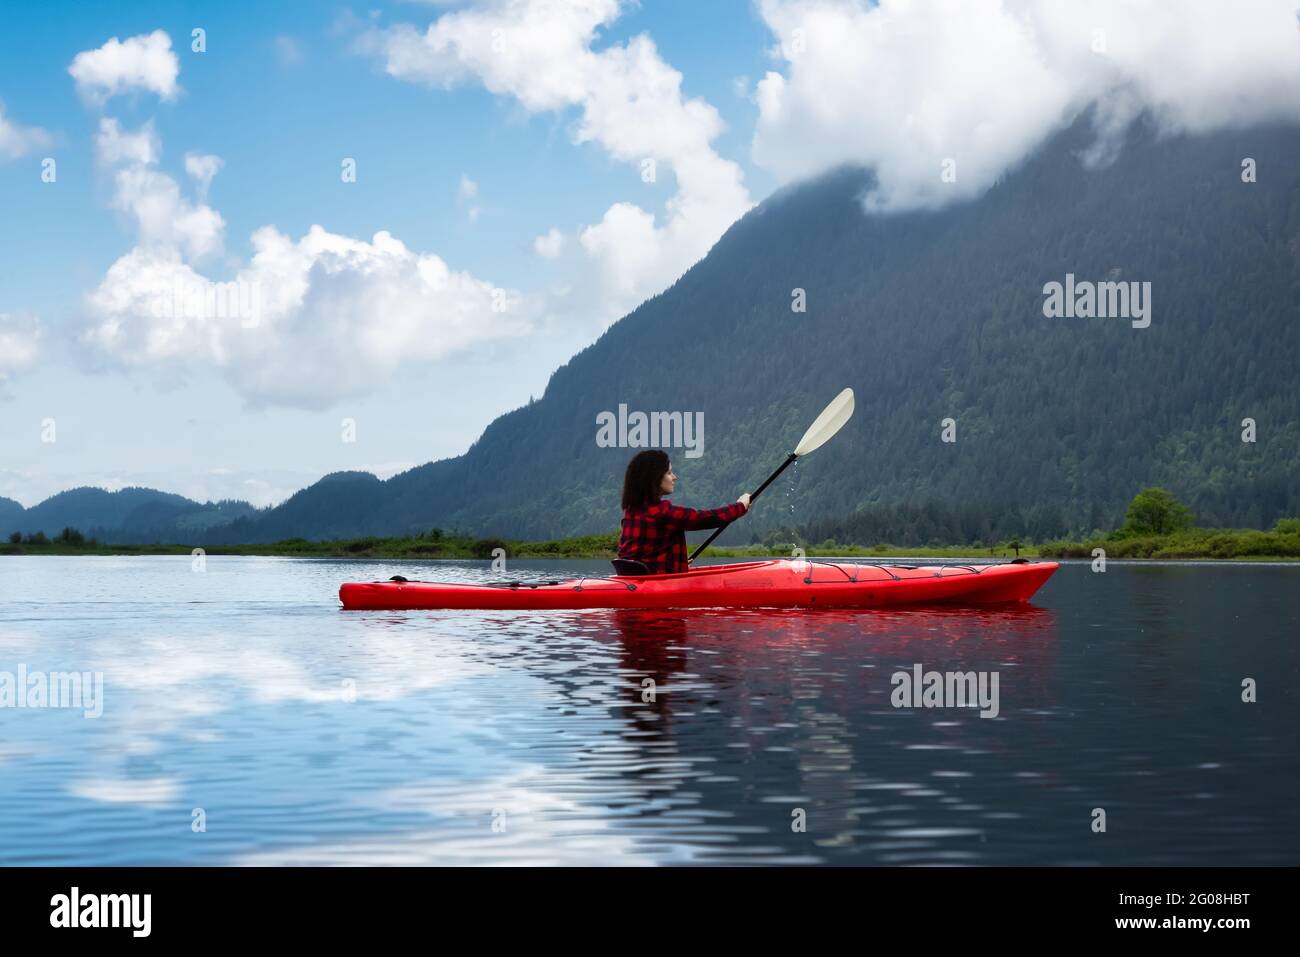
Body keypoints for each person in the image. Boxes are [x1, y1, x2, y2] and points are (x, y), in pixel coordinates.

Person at [617, 449, 750, 574]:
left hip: (640, 580)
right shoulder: (660, 513)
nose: (674, 477)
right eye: (669, 473)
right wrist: (740, 507)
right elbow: (702, 519)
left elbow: (642, 556)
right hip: (653, 585)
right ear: (655, 478)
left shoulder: (632, 512)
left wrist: (676, 565)